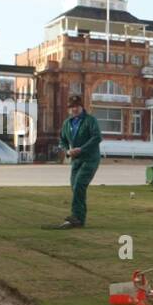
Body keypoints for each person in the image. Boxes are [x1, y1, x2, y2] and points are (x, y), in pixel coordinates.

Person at [51, 95, 101, 229]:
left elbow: (97, 137)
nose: (74, 109)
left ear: (81, 107)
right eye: (71, 107)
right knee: (75, 187)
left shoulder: (90, 120)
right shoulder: (67, 123)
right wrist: (67, 151)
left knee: (79, 185)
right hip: (76, 160)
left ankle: (76, 216)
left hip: (90, 159)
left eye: (76, 107)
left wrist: (81, 149)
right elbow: (62, 141)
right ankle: (80, 219)